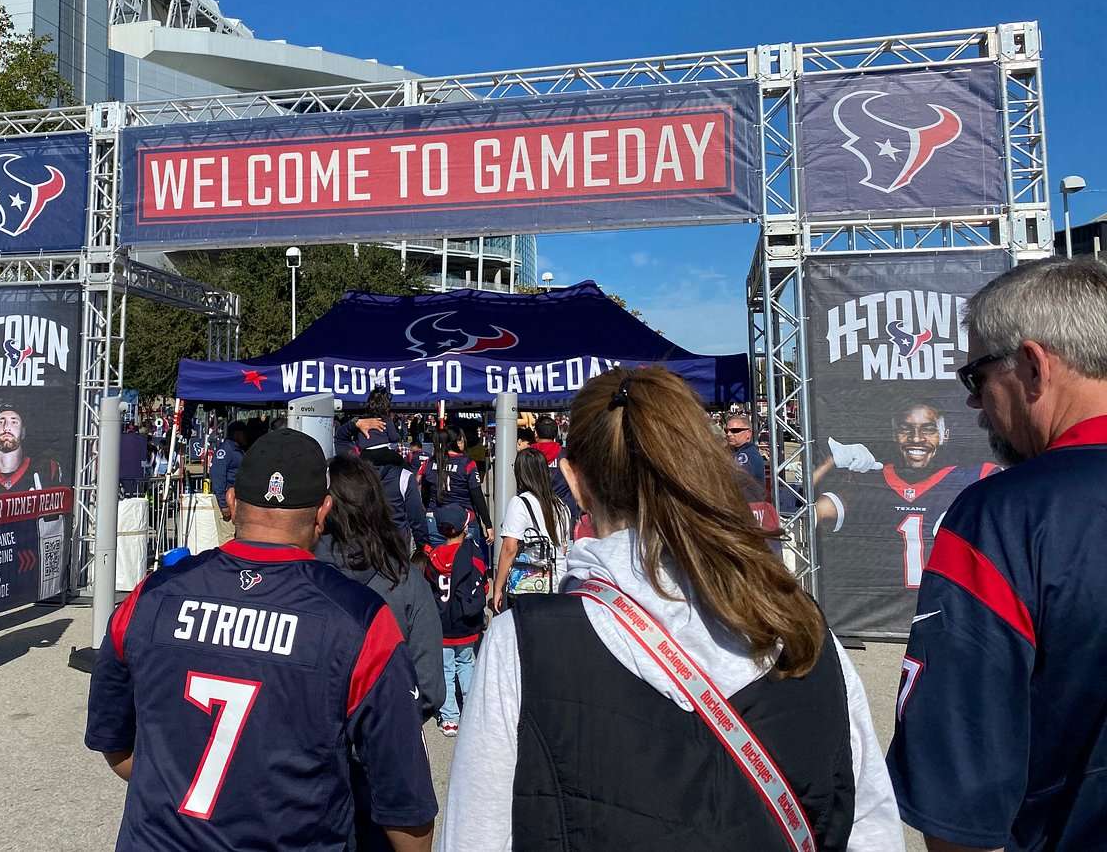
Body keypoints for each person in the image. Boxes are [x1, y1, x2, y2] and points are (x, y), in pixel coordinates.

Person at [442, 367, 902, 850]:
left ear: (575, 482)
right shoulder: (802, 625)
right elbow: (871, 825)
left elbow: (476, 834)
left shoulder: (522, 645)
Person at [85, 428, 436, 852]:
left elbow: (113, 741)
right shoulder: (361, 621)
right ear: (323, 511)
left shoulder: (150, 596)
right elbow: (407, 807)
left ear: (231, 502)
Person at [887, 259, 1107, 851]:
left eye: (975, 377)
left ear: (1033, 366)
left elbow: (958, 800)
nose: (973, 405)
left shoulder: (1004, 518)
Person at [318, 456, 446, 851]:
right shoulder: (405, 581)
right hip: (388, 754)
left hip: (312, 759)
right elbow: (430, 688)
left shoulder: (306, 579)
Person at [812, 400, 998, 629]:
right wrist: (831, 462)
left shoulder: (974, 478)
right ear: (894, 433)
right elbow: (808, 514)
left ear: (945, 435)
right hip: (879, 615)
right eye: (905, 428)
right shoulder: (871, 478)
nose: (916, 438)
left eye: (928, 429)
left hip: (951, 613)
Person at [423, 503, 487, 738]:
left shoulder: (434, 557)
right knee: (466, 663)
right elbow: (483, 582)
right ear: (464, 527)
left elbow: (429, 587)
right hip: (466, 621)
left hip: (442, 623)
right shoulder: (472, 554)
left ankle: (450, 718)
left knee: (446, 668)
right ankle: (470, 712)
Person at [491, 447, 571, 611]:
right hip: (558, 584)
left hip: (530, 587)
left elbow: (509, 548)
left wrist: (498, 587)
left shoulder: (520, 503)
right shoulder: (561, 505)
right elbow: (564, 547)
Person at [420, 426, 493, 552]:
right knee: (466, 565)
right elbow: (477, 495)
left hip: (435, 519)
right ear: (456, 441)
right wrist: (488, 524)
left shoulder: (430, 463)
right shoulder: (467, 463)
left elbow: (424, 494)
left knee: (437, 563)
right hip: (464, 521)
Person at [0, 399, 65, 492]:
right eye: (0, 422)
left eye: (14, 422)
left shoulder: (46, 469)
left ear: (23, 433)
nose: (7, 428)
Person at [207, 420, 247, 545]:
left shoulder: (238, 450)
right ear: (237, 434)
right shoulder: (225, 451)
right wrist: (223, 504)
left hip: (235, 498)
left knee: (237, 535)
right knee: (228, 537)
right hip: (226, 497)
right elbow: (217, 476)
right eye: (244, 433)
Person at [531, 415, 577, 525]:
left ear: (536, 433)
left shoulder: (527, 455)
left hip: (535, 513)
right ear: (556, 434)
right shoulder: (567, 455)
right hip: (565, 513)